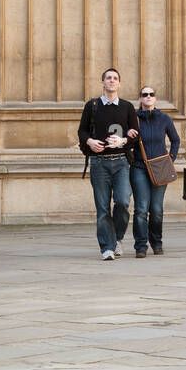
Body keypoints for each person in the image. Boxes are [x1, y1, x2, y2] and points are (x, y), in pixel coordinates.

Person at [77, 68, 140, 261]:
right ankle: (107, 247)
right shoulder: (92, 105)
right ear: (102, 83)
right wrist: (89, 142)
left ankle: (118, 238)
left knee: (122, 202)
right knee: (103, 207)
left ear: (119, 84)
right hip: (99, 163)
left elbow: (136, 136)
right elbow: (82, 131)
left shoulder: (127, 107)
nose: (112, 81)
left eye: (115, 79)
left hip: (121, 162)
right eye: (108, 78)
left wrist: (123, 142)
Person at [131, 85, 180, 257]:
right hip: (139, 168)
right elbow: (126, 143)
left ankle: (157, 243)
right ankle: (141, 246)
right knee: (141, 209)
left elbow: (175, 140)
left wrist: (170, 159)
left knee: (157, 209)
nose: (148, 97)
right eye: (145, 94)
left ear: (155, 98)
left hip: (160, 168)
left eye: (151, 94)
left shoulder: (164, 118)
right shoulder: (134, 119)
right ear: (140, 99)